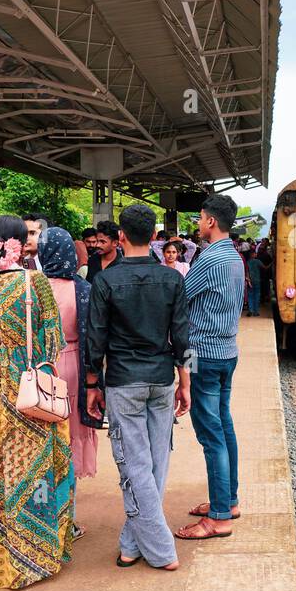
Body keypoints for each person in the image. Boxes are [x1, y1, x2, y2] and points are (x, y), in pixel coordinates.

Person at [0, 215, 74, 591]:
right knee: (30, 471)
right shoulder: (33, 282)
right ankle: (32, 558)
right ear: (23, 245)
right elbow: (52, 343)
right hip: (27, 389)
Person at [85, 204, 190, 570]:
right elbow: (183, 337)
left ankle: (161, 550)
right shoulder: (173, 280)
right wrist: (185, 381)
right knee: (155, 462)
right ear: (154, 238)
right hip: (162, 379)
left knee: (135, 465)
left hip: (123, 382)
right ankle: (131, 543)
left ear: (121, 238)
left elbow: (95, 339)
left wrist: (91, 384)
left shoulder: (104, 281)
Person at [174, 194, 245, 541]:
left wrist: (181, 367)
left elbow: (180, 298)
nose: (198, 225)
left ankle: (218, 518)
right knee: (224, 426)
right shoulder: (234, 256)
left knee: (210, 436)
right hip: (228, 352)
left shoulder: (209, 259)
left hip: (202, 354)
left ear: (211, 221)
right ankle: (227, 501)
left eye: (200, 219)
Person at [38, 226, 96, 540]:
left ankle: (43, 513)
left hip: (41, 370)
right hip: (73, 367)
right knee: (70, 439)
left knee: (43, 443)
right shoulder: (82, 288)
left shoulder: (32, 288)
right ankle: (67, 519)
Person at [85, 220, 122, 285]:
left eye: (102, 242)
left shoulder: (123, 264)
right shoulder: (92, 260)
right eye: (97, 241)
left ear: (115, 243)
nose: (97, 245)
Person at [245, 246, 262, 317]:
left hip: (250, 281)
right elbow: (264, 267)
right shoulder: (258, 261)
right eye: (255, 253)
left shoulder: (247, 262)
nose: (256, 254)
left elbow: (247, 272)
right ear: (252, 254)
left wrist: (248, 281)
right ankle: (256, 311)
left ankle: (251, 311)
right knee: (257, 296)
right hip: (257, 281)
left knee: (250, 296)